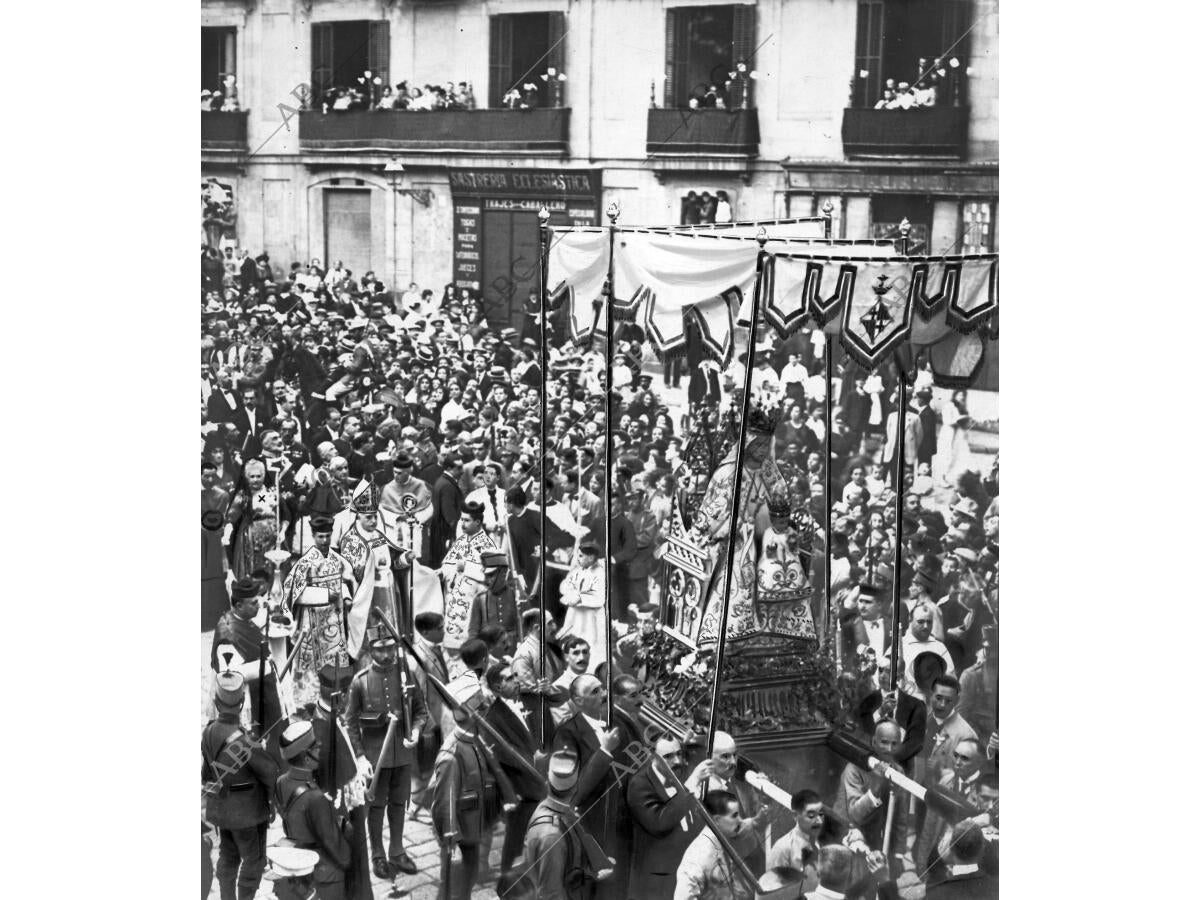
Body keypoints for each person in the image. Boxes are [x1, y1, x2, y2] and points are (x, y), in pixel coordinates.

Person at [343, 624, 429, 879]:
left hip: (402, 754)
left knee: (399, 803)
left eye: (390, 648)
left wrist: (415, 731)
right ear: (370, 651)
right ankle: (378, 855)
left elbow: (421, 711)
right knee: (377, 807)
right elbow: (350, 722)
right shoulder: (360, 682)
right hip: (374, 758)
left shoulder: (407, 676)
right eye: (380, 650)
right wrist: (359, 757)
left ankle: (398, 851)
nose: (387, 654)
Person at [430, 687, 518, 900]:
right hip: (460, 835)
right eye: (484, 709)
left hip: (473, 826)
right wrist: (452, 841)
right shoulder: (451, 756)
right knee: (456, 887)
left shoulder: (474, 740)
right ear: (474, 716)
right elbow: (443, 805)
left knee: (465, 883)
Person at [553, 674, 632, 900]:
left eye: (603, 688)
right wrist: (604, 752)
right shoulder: (567, 733)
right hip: (592, 828)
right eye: (595, 692)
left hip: (621, 825)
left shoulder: (617, 724)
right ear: (579, 701)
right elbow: (571, 793)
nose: (605, 694)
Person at [201, 672, 279, 900]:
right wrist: (271, 800)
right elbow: (270, 772)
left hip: (222, 810)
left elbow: (207, 771)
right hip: (247, 815)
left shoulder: (208, 731)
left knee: (229, 856)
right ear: (242, 703)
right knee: (254, 862)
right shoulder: (246, 741)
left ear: (216, 702)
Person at [483, 662, 547, 887]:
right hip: (521, 788)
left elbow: (539, 731)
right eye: (510, 678)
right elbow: (503, 758)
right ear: (497, 688)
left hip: (541, 781)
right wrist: (534, 763)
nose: (516, 680)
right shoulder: (492, 720)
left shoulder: (528, 701)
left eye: (515, 676)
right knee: (516, 838)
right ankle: (507, 884)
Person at [281, 516, 355, 708]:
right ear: (313, 536)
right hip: (311, 619)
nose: (324, 540)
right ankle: (309, 700)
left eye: (328, 536)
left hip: (334, 619)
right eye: (320, 536)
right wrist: (324, 595)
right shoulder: (305, 563)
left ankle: (337, 695)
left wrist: (346, 597)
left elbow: (343, 583)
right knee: (311, 663)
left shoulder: (338, 560)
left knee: (334, 658)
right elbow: (295, 593)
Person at [275, 721, 353, 899]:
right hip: (324, 875)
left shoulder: (280, 782)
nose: (320, 750)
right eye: (316, 749)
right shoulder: (316, 797)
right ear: (307, 758)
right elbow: (334, 845)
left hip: (296, 862)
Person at [627, 737, 712, 900]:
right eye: (669, 756)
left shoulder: (680, 773)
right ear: (652, 756)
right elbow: (660, 823)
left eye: (679, 754)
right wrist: (691, 784)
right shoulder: (639, 785)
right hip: (657, 881)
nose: (678, 761)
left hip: (687, 873)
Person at [523, 750, 614, 900]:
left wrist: (592, 870)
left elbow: (569, 861)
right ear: (575, 786)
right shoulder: (552, 835)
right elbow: (551, 894)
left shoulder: (557, 810)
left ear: (548, 782)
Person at [833, 719, 903, 852]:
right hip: (845, 834)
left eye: (894, 744)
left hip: (874, 835)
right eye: (884, 742)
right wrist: (875, 789)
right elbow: (854, 815)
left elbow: (900, 815)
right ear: (874, 742)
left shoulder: (898, 771)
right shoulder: (853, 769)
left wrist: (899, 853)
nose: (889, 749)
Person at [673, 790, 755, 900]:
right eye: (734, 815)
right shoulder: (699, 854)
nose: (740, 820)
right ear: (717, 820)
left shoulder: (723, 839)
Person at [706, 731, 767, 876]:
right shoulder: (705, 793)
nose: (733, 762)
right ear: (708, 758)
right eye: (726, 756)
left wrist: (758, 773)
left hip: (752, 860)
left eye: (735, 755)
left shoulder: (735, 782)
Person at [559, 541, 607, 668]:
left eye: (581, 556)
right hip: (575, 616)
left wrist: (579, 597)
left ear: (591, 558)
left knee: (591, 645)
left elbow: (599, 597)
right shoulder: (578, 570)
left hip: (591, 617)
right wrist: (570, 593)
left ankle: (592, 669)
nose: (578, 559)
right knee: (573, 642)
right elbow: (564, 585)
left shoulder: (599, 573)